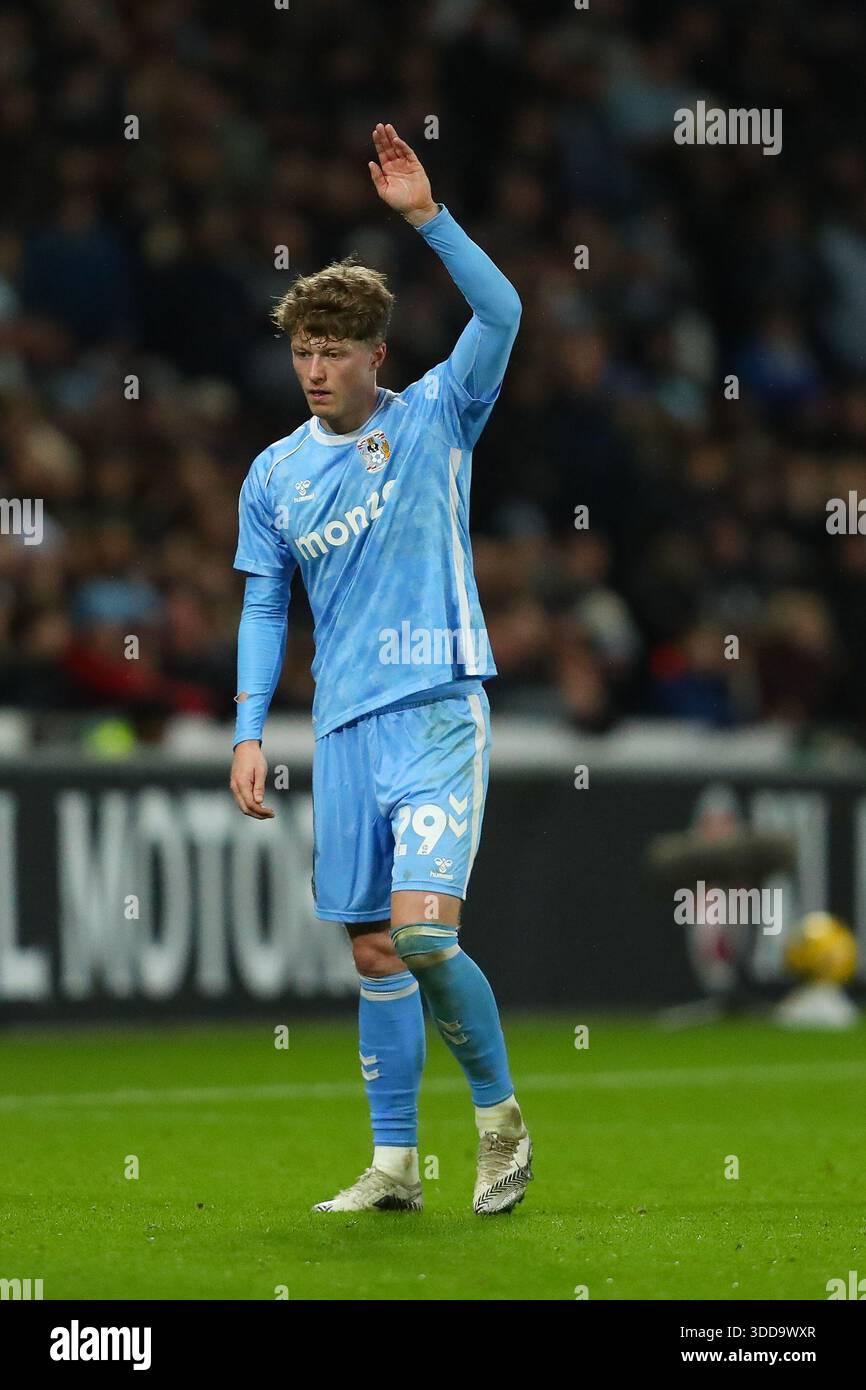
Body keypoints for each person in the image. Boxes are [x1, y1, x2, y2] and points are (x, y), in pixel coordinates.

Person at [230, 124, 530, 1215]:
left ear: (375, 358)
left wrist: (427, 220)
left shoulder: (440, 418)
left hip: (439, 708)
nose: (313, 370)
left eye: (332, 352)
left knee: (420, 931)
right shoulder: (272, 474)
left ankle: (499, 1124)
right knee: (371, 953)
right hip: (344, 726)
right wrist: (248, 728)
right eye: (301, 350)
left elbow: (501, 314)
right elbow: (267, 600)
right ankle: (395, 1166)